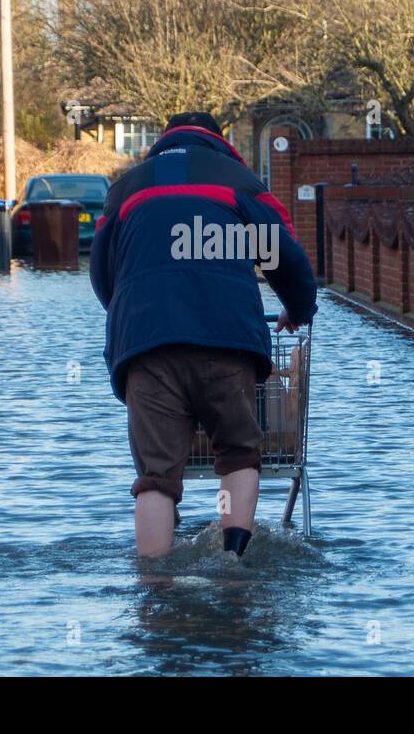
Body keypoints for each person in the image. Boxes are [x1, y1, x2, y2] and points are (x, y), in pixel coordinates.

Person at [90, 111, 318, 558]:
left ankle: (153, 582)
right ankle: (232, 560)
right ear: (218, 141)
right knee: (237, 452)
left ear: (163, 140)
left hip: (146, 346)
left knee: (156, 476)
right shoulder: (239, 182)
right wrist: (298, 307)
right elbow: (284, 257)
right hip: (226, 339)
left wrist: (133, 315)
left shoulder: (126, 188)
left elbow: (102, 275)